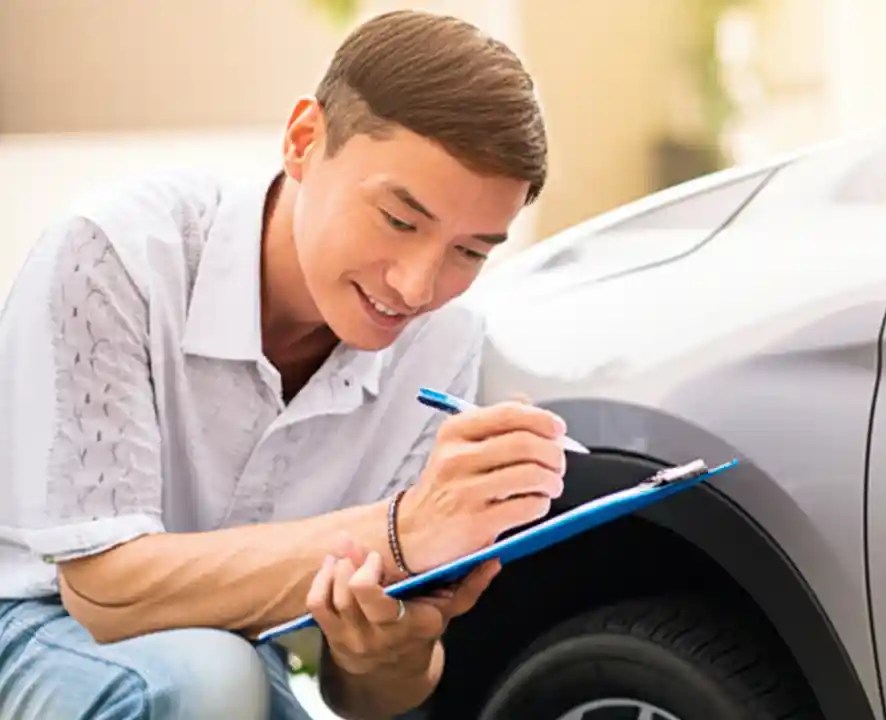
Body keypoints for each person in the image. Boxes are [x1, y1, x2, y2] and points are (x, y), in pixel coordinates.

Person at [0, 10, 565, 719]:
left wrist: (387, 647)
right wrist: (401, 533)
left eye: (470, 251)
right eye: (399, 220)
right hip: (27, 614)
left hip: (241, 652)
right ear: (304, 141)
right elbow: (102, 591)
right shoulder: (117, 253)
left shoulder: (444, 340)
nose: (418, 286)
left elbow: (364, 699)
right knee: (215, 679)